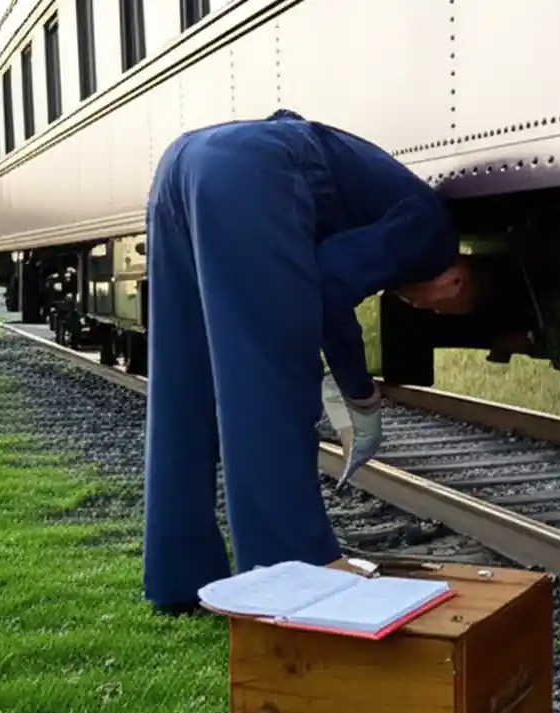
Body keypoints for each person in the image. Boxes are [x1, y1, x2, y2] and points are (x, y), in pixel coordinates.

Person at [141, 109, 478, 616]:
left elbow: (324, 280)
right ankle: (290, 579)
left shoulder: (389, 201)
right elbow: (326, 288)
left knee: (181, 387)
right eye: (435, 306)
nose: (419, 306)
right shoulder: (431, 234)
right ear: (454, 282)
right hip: (252, 177)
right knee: (267, 385)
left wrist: (354, 387)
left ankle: (179, 576)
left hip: (182, 164)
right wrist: (360, 390)